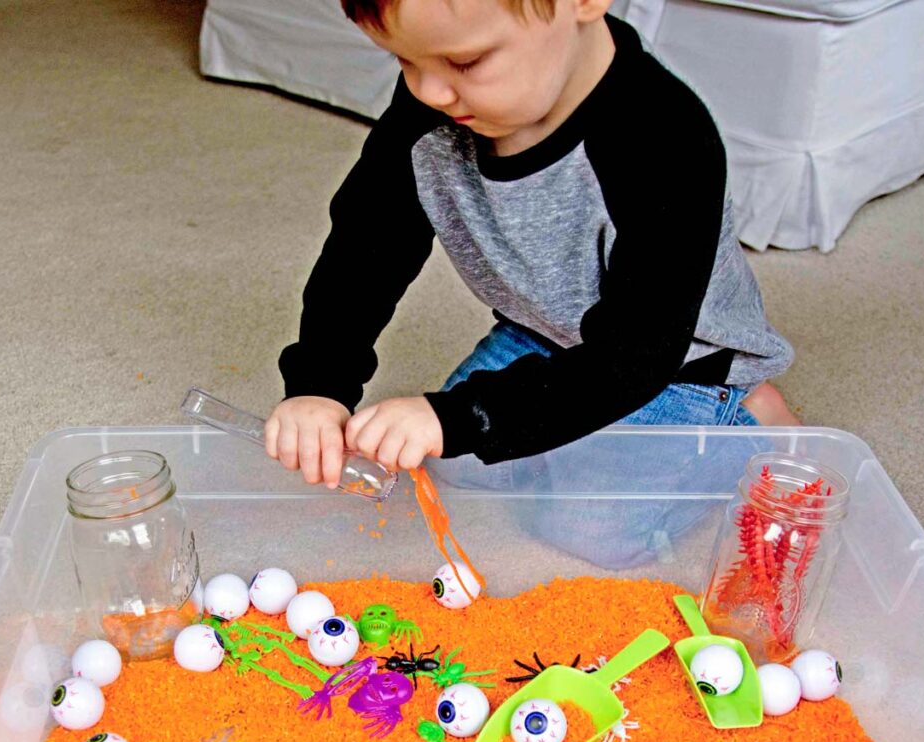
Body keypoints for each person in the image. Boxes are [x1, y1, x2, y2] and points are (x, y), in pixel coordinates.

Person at [267, 0, 799, 565]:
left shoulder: (663, 135)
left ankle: (747, 417)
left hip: (677, 365)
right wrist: (320, 383)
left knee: (591, 534)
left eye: (465, 62)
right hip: (542, 331)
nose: (431, 92)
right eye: (405, 60)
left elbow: (639, 352)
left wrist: (461, 415)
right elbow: (367, 247)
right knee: (453, 465)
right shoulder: (432, 107)